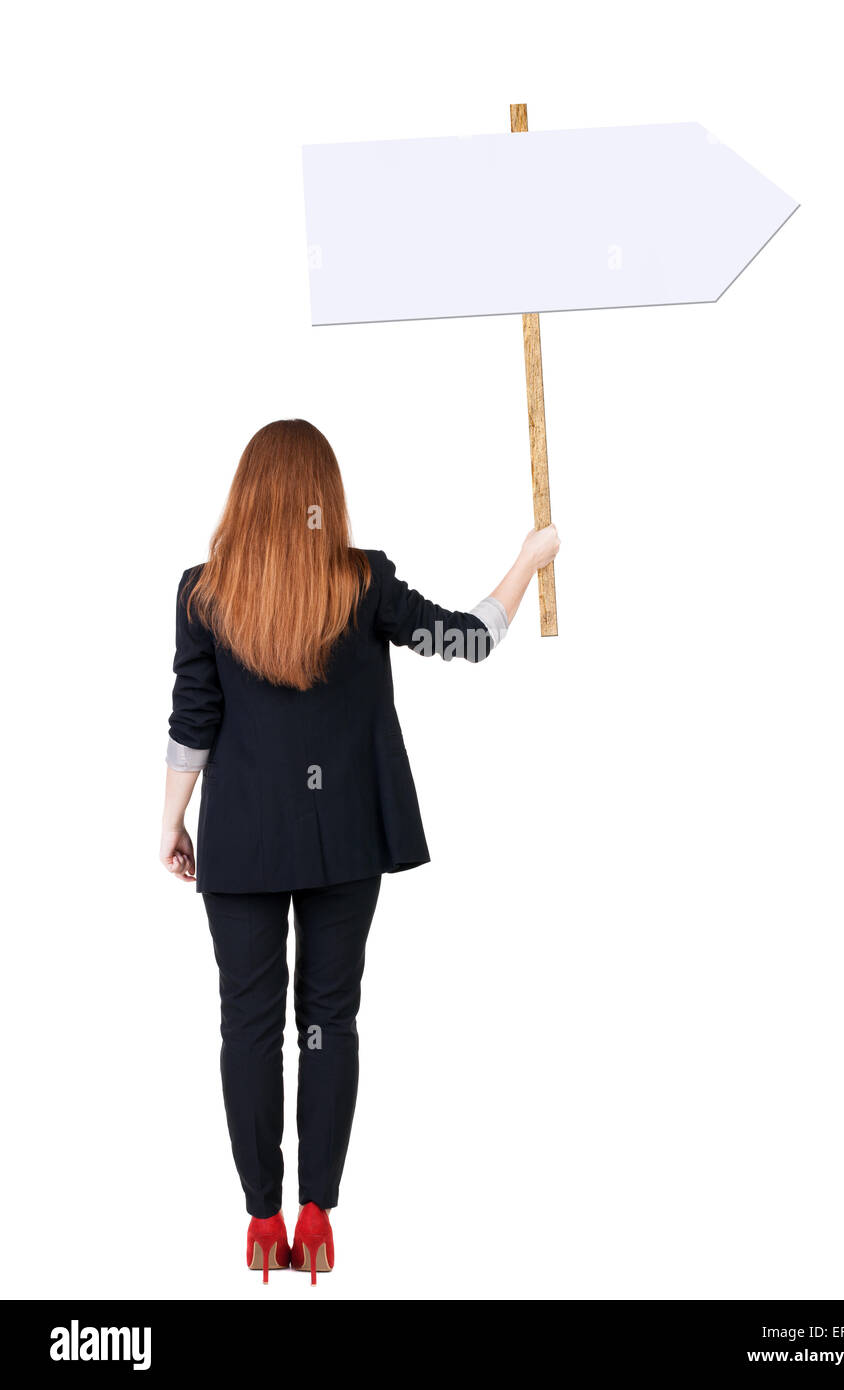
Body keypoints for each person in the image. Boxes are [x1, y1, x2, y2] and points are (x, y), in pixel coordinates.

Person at [160, 418, 560, 1282]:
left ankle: (262, 1221)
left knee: (249, 1027)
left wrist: (170, 823)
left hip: (242, 848)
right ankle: (317, 1212)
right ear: (322, 498)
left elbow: (194, 721)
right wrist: (528, 559)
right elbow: (469, 641)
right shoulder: (362, 581)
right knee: (326, 1022)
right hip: (345, 841)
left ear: (247, 493)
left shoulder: (204, 592)